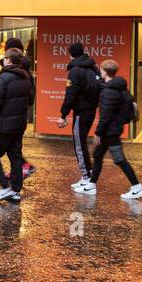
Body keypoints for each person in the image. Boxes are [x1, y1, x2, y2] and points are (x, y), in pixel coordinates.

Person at [84, 59, 142, 200]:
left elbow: (106, 115)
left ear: (104, 71)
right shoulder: (119, 86)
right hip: (112, 129)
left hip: (110, 131)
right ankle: (91, 185)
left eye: (101, 70)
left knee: (119, 160)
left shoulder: (109, 91)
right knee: (98, 155)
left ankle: (137, 187)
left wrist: (98, 132)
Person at [0, 49, 34, 203]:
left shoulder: (3, 78)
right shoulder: (26, 77)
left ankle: (5, 186)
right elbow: (31, 100)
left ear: (9, 60)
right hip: (18, 125)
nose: (3, 61)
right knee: (15, 157)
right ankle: (15, 191)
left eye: (4, 58)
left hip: (2, 126)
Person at [56, 42, 103, 192]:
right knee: (81, 142)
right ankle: (86, 176)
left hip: (81, 112)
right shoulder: (93, 67)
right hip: (90, 110)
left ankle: (86, 177)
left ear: (70, 55)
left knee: (79, 144)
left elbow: (71, 94)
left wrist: (63, 115)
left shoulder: (75, 70)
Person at [4, 36, 36, 181]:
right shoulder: (26, 69)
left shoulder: (20, 70)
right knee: (13, 145)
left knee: (11, 145)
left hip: (13, 114)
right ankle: (18, 169)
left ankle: (23, 168)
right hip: (18, 114)